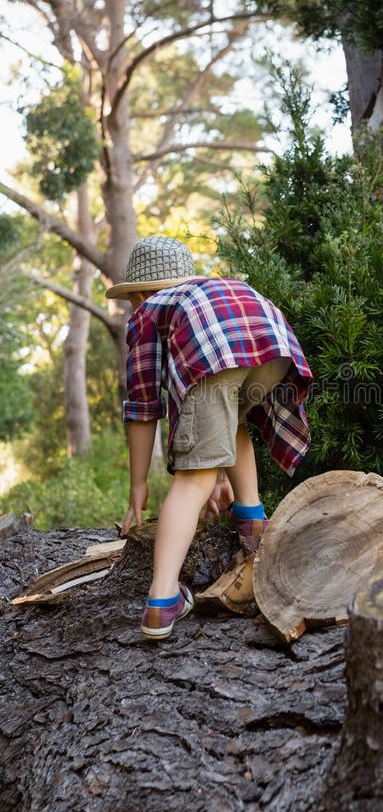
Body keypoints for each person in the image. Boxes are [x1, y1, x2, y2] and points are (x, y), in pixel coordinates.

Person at [106, 236, 312, 640]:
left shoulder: (149, 311)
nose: (134, 305)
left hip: (220, 358)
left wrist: (138, 485)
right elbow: (214, 417)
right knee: (233, 421)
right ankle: (252, 519)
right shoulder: (215, 289)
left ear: (143, 292)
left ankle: (162, 599)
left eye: (133, 297)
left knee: (192, 481)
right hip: (277, 350)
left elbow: (144, 405)